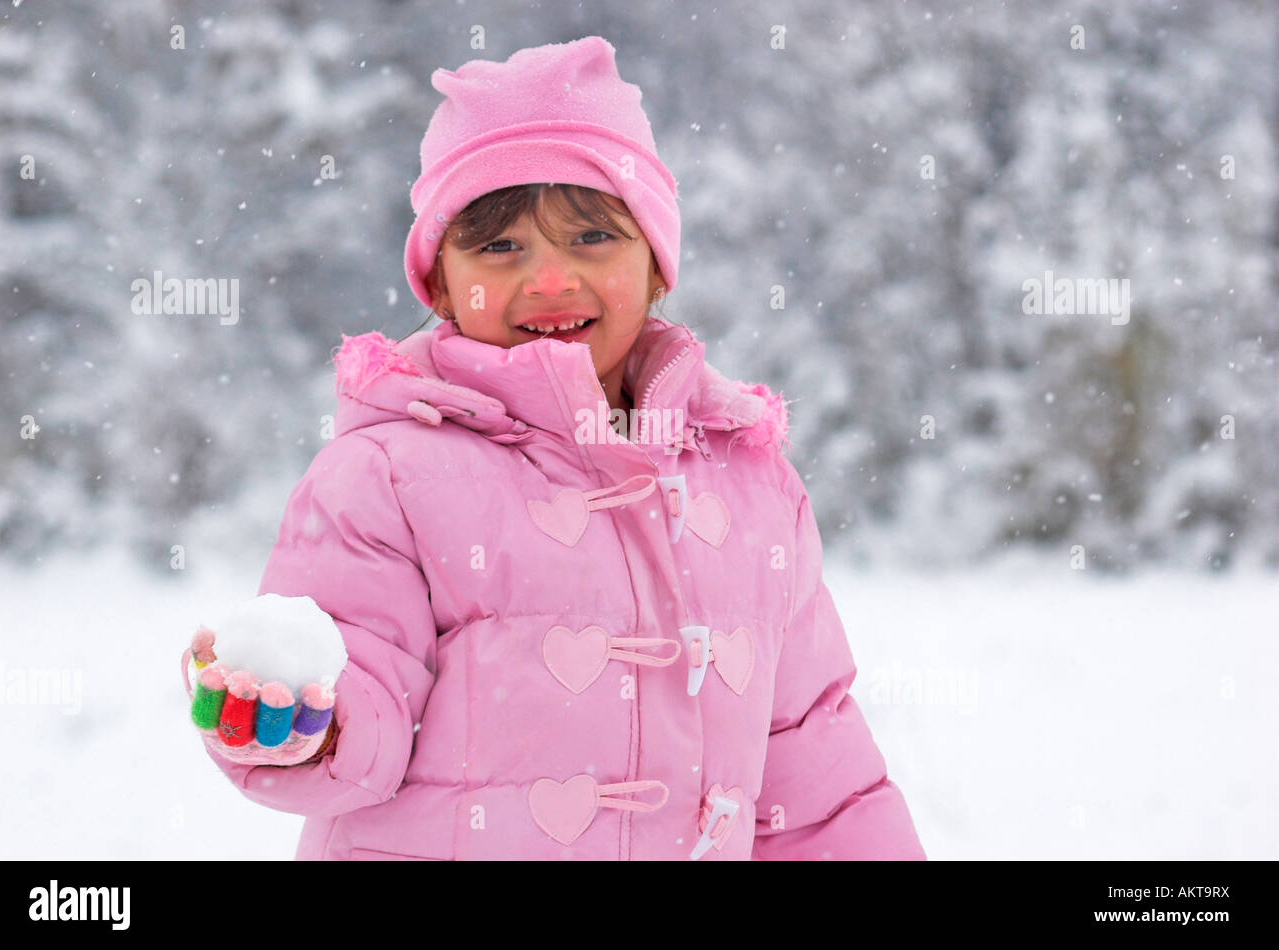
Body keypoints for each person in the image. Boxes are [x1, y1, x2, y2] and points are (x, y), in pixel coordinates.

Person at [181, 35, 926, 861]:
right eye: (499, 247)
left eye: (591, 239)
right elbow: (362, 691)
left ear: (657, 267)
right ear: (437, 282)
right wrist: (304, 720)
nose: (546, 280)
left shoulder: (750, 484)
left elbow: (814, 773)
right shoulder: (387, 475)